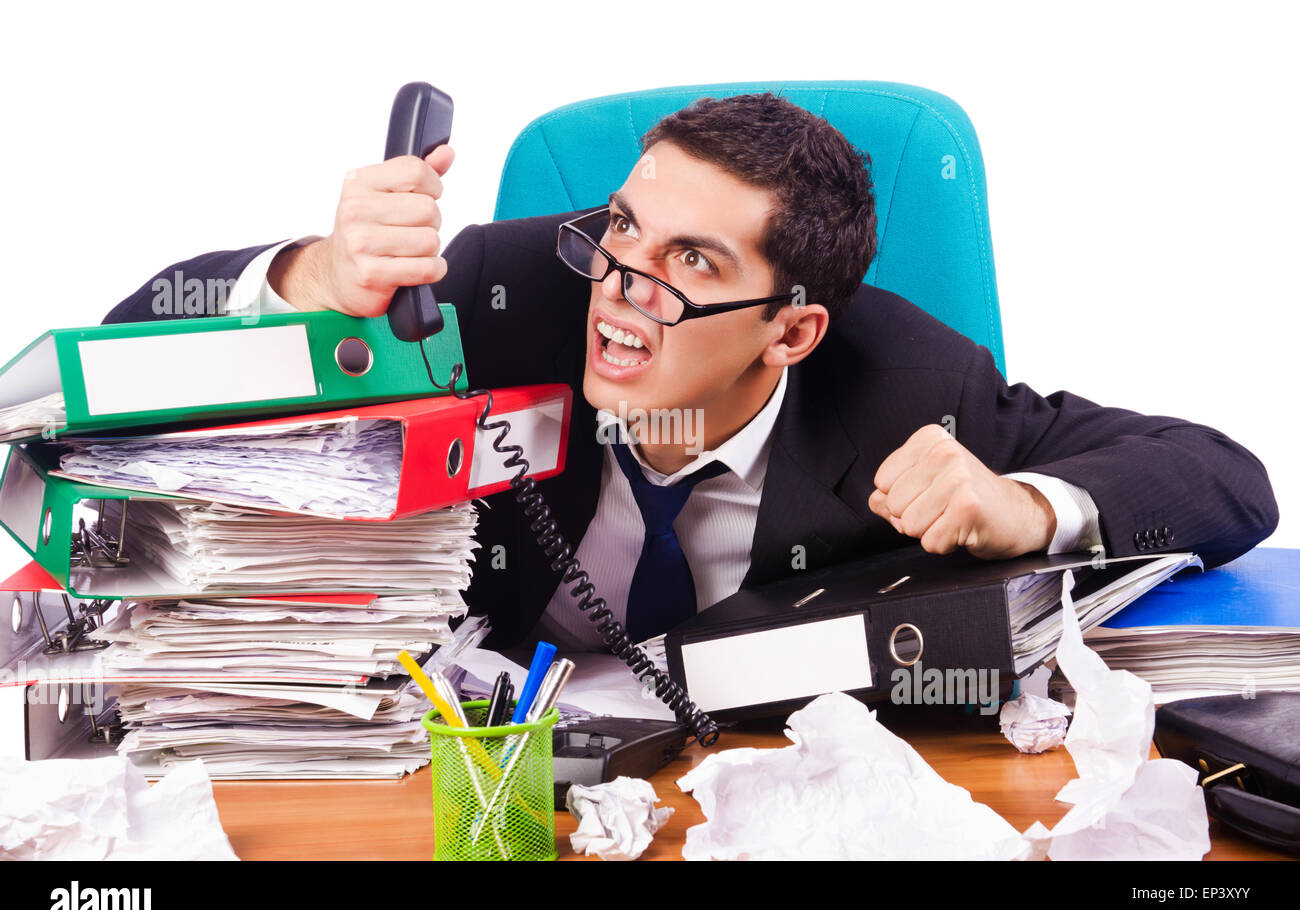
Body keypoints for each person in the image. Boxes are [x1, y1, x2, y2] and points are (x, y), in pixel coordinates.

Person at [103, 94, 1279, 651]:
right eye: (620, 231)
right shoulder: (502, 294)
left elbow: (1222, 475)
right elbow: (123, 362)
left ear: (792, 333)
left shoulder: (905, 382)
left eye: (688, 263)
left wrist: (1023, 507)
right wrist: (314, 275)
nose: (620, 284)